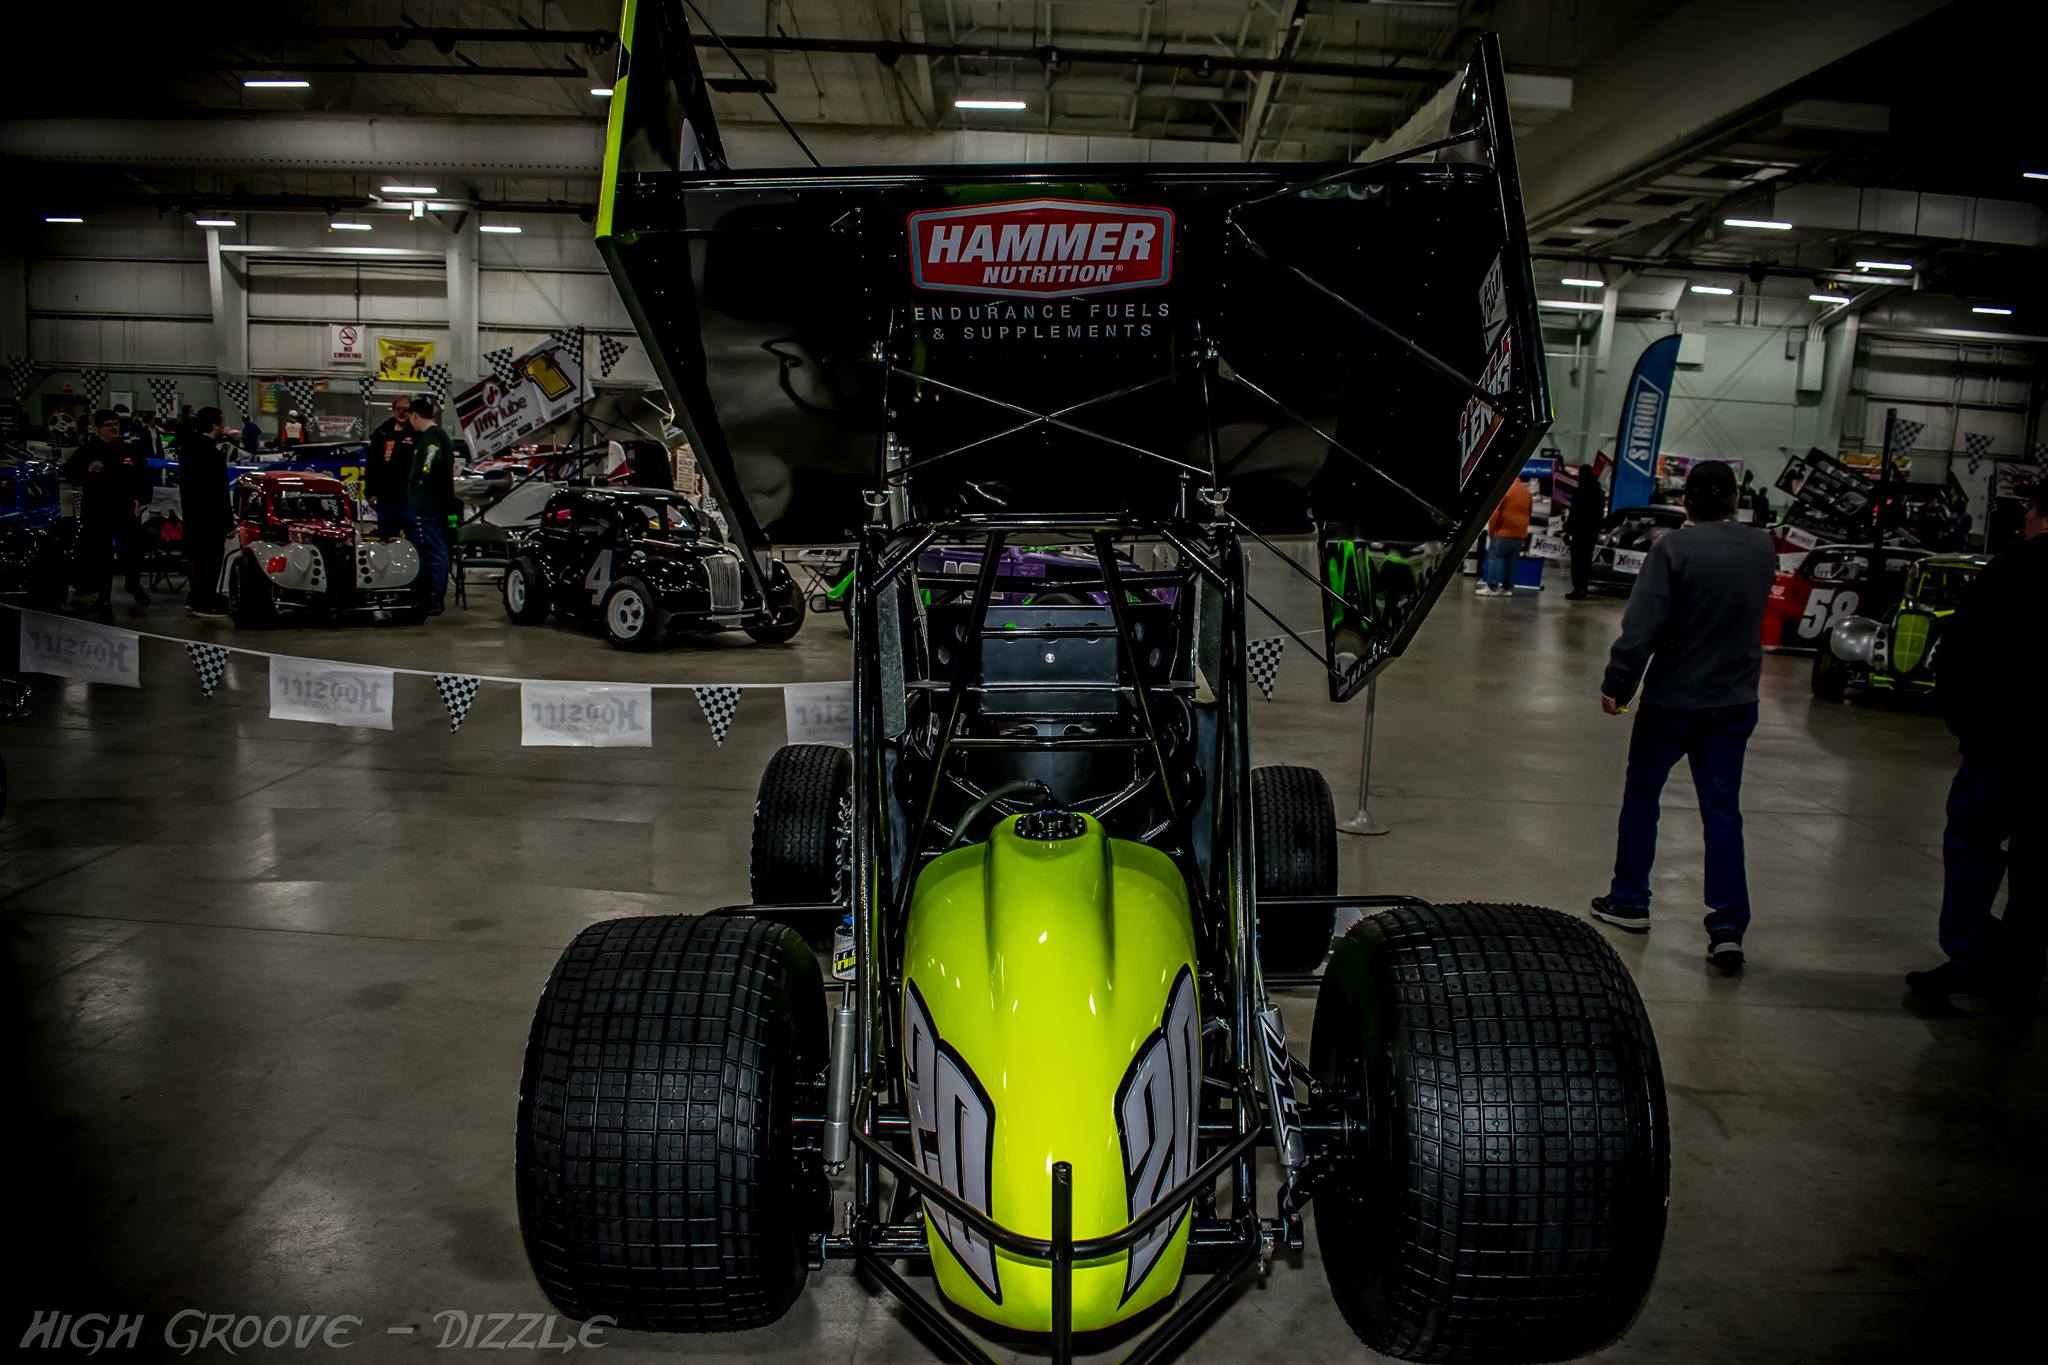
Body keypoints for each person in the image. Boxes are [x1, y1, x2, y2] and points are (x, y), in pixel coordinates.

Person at [1590, 460, 1775, 974]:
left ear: (1686, 501)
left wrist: (1617, 684)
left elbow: (1642, 627)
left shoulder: (1671, 549)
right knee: (1722, 812)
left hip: (1673, 701)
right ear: (1734, 500)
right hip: (1736, 701)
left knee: (1643, 798)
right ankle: (1727, 928)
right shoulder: (1762, 549)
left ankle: (1629, 900)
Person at [1906, 485, 2047, 1010]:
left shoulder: (2009, 571)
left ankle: (1972, 957)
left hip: (2001, 747)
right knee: (2037, 864)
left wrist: (1965, 724)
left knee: (1973, 849)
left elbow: (1958, 652)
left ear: (2037, 515)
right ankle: (2024, 965)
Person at [61, 410, 152, 615]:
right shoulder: (87, 450)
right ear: (99, 427)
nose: (115, 428)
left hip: (125, 509)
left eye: (117, 423)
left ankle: (134, 585)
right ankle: (104, 596)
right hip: (98, 510)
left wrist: (140, 499)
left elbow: (144, 476)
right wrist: (88, 469)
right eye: (110, 424)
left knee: (132, 551)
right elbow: (69, 473)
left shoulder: (129, 450)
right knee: (101, 556)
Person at [405, 397, 459, 615]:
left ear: (415, 415)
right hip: (434, 504)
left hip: (429, 506)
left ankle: (434, 598)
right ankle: (432, 595)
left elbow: (428, 463)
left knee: (434, 551)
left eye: (411, 418)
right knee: (435, 550)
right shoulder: (439, 436)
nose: (410, 423)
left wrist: (420, 483)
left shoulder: (432, 438)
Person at [178, 407, 231, 616]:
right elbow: (219, 491)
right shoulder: (212, 454)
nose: (224, 425)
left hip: (192, 514)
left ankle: (195, 597)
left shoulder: (187, 449)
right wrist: (228, 522)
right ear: (214, 424)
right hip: (211, 518)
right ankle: (204, 602)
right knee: (210, 561)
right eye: (222, 421)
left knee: (198, 560)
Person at [365, 395, 415, 539]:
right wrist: (370, 493)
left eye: (406, 409)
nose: (401, 412)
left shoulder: (417, 433)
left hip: (409, 499)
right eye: (398, 409)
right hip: (386, 498)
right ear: (393, 411)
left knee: (414, 540)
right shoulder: (382, 433)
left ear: (411, 413)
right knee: (387, 540)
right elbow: (372, 466)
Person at [1477, 476, 1532, 597]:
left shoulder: (1504, 489)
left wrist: (1491, 531)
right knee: (1512, 562)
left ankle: (1492, 587)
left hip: (1503, 532)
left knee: (1495, 556)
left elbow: (1495, 512)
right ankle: (1508, 589)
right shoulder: (1526, 493)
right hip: (1519, 533)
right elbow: (1529, 512)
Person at [1565, 462, 1606, 600]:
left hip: (1579, 532)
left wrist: (1568, 530)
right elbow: (1600, 515)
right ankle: (1583, 587)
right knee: (1586, 561)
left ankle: (1578, 588)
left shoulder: (1580, 491)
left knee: (1577, 561)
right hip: (1591, 533)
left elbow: (1574, 513)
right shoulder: (1600, 493)